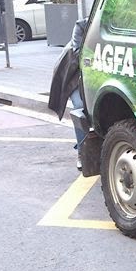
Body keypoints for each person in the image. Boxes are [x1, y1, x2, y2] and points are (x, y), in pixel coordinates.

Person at [48, 19, 89, 170]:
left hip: (96, 77)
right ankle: (82, 153)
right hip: (74, 75)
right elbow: (78, 54)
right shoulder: (82, 25)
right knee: (80, 107)